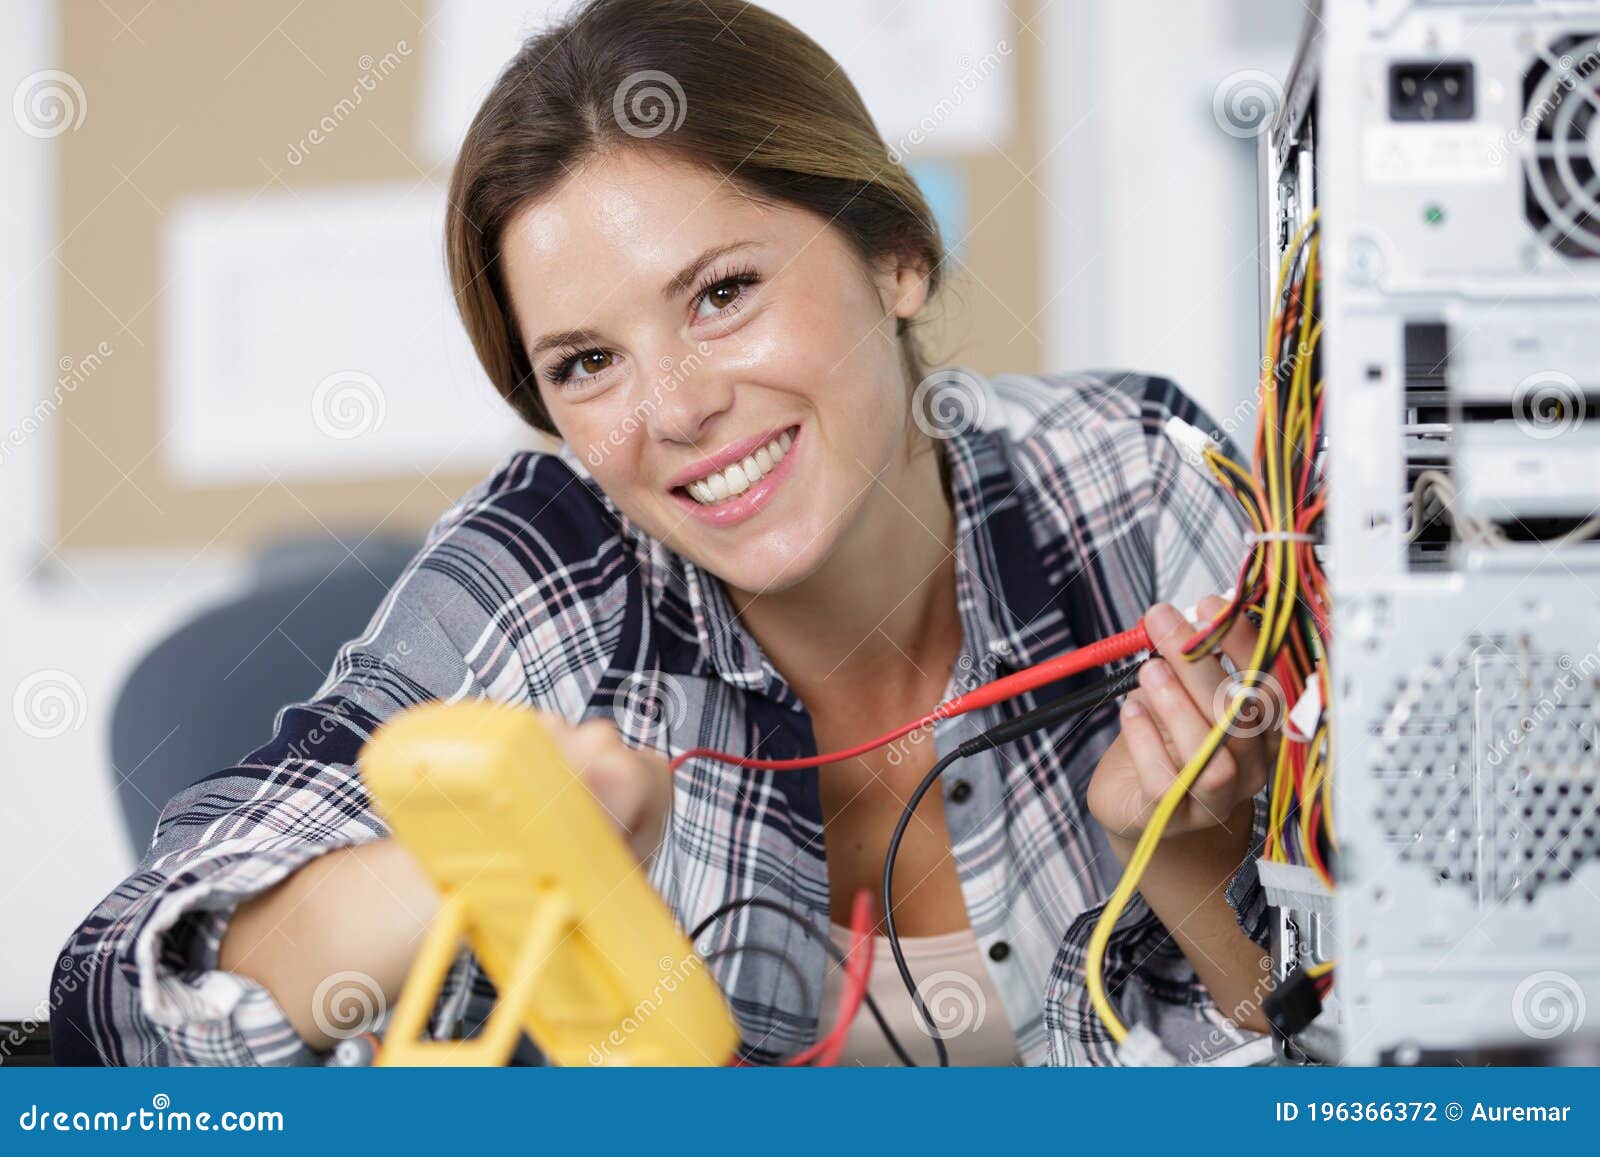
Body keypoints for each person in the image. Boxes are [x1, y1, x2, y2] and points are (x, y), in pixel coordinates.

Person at [52, 0, 1275, 1067]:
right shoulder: (548, 570)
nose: (675, 410)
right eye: (586, 363)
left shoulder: (1134, 485)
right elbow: (113, 1004)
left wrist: (1191, 867)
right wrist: (501, 857)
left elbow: (1358, 1053)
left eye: (723, 293)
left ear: (895, 256)